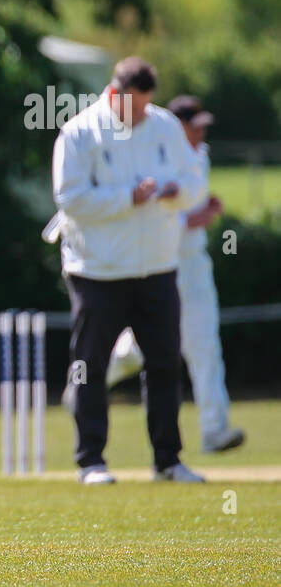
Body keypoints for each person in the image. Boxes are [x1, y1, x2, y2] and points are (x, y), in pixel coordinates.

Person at [52, 57, 207, 484]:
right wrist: (128, 198)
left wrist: (176, 193)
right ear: (115, 95)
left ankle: (168, 461)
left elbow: (194, 183)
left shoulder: (163, 127)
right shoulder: (80, 132)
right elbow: (71, 200)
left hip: (156, 267)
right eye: (135, 107)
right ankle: (91, 462)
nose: (142, 115)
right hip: (97, 270)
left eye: (146, 106)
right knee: (91, 366)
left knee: (163, 363)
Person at [106, 96, 244, 454]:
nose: (201, 132)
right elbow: (148, 211)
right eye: (195, 126)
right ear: (178, 126)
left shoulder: (201, 155)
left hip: (194, 265)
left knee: (205, 346)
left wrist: (207, 208)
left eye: (203, 126)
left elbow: (191, 199)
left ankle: (215, 430)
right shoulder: (155, 153)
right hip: (159, 262)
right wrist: (189, 220)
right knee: (140, 348)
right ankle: (89, 381)